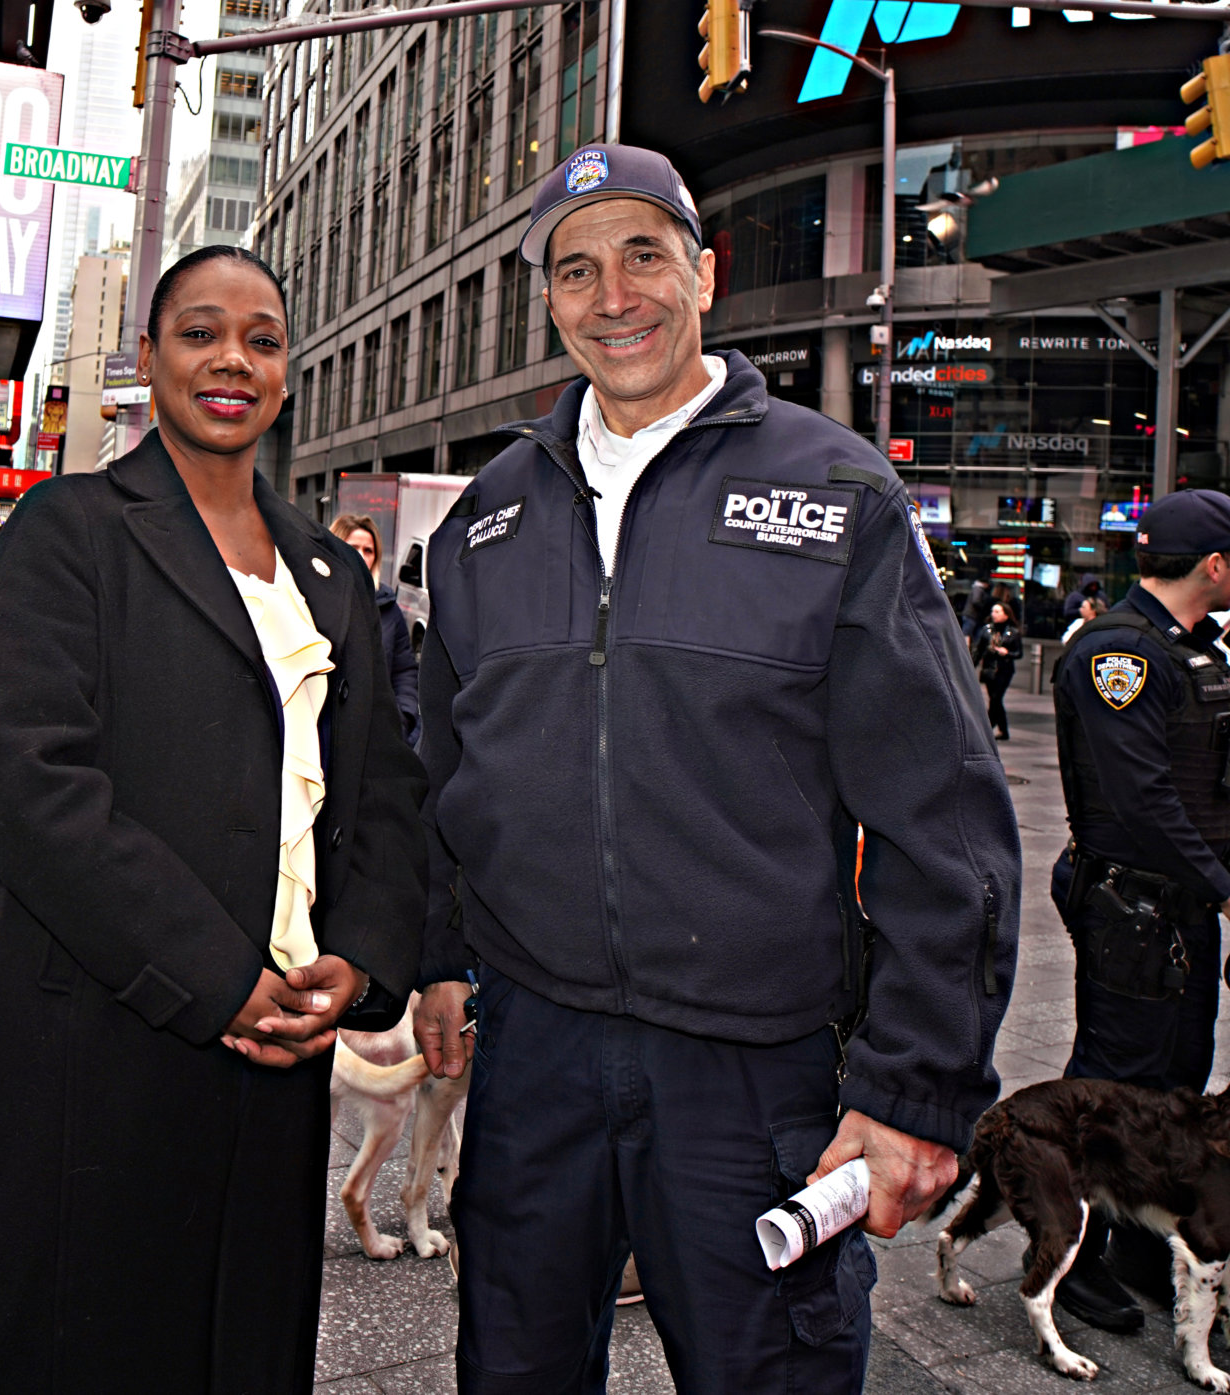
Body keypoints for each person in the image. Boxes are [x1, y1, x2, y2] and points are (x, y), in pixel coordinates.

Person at [411, 144, 1021, 1394]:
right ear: (547, 303)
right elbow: (440, 771)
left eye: (644, 255)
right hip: (535, 1059)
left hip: (754, 1077)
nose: (613, 294)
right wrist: (433, 953)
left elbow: (941, 813)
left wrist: (915, 1085)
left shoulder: (834, 488)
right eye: (575, 270)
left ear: (704, 270)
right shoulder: (484, 518)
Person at [0, 246, 427, 1395]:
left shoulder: (327, 570)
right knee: (84, 1339)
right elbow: (34, 787)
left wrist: (359, 962)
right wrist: (217, 979)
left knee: (239, 1342)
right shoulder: (69, 533)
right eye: (200, 333)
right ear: (148, 358)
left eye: (262, 339)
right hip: (105, 1036)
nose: (232, 360)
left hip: (285, 1046)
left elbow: (382, 793)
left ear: (288, 374)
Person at [1049, 489, 1230, 1330]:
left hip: (1179, 909)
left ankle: (1135, 1242)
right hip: (1131, 910)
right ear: (1215, 564)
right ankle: (1069, 1255)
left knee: (1173, 1084)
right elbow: (1144, 804)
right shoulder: (1118, 653)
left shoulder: (1190, 652)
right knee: (1113, 1087)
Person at [331, 512, 420, 745]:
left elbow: (405, 672)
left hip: (377, 740)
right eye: (352, 547)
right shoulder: (312, 600)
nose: (360, 556)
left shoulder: (390, 610)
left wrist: (402, 720)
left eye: (368, 550)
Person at [972, 599, 1023, 741]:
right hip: (989, 669)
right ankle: (1003, 730)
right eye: (993, 611)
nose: (994, 614)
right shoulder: (987, 630)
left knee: (996, 698)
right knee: (995, 700)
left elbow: (1019, 653)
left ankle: (987, 728)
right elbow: (978, 650)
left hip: (1004, 670)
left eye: (997, 611)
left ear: (1006, 615)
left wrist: (1007, 653)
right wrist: (971, 666)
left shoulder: (1013, 632)